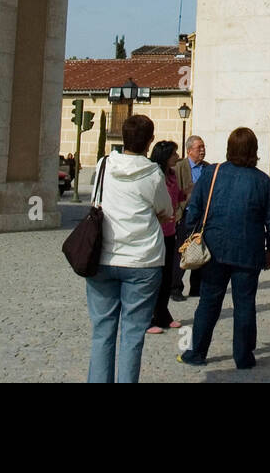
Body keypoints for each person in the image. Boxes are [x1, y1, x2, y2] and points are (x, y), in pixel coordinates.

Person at [177, 127, 270, 370]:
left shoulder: (212, 173)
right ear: (254, 150)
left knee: (209, 301)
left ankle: (197, 351)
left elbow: (195, 207)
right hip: (248, 249)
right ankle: (243, 356)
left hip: (214, 248)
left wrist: (192, 233)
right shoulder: (261, 180)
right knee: (244, 304)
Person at [86, 114, 172, 383]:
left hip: (102, 257)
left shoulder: (103, 165)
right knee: (133, 335)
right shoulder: (153, 173)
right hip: (142, 260)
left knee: (102, 331)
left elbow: (96, 200)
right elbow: (166, 211)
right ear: (150, 141)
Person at [147, 140, 186, 334]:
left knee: (166, 276)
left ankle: (162, 314)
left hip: (170, 230)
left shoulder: (172, 175)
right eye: (174, 154)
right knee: (154, 276)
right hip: (155, 232)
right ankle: (147, 317)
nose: (177, 157)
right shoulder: (154, 174)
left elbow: (177, 196)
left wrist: (187, 192)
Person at [172, 135, 208, 300]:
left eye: (203, 147)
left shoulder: (208, 168)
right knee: (181, 250)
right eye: (198, 147)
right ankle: (176, 287)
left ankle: (197, 287)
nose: (202, 150)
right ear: (188, 150)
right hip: (185, 214)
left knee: (200, 249)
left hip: (203, 216)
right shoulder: (179, 167)